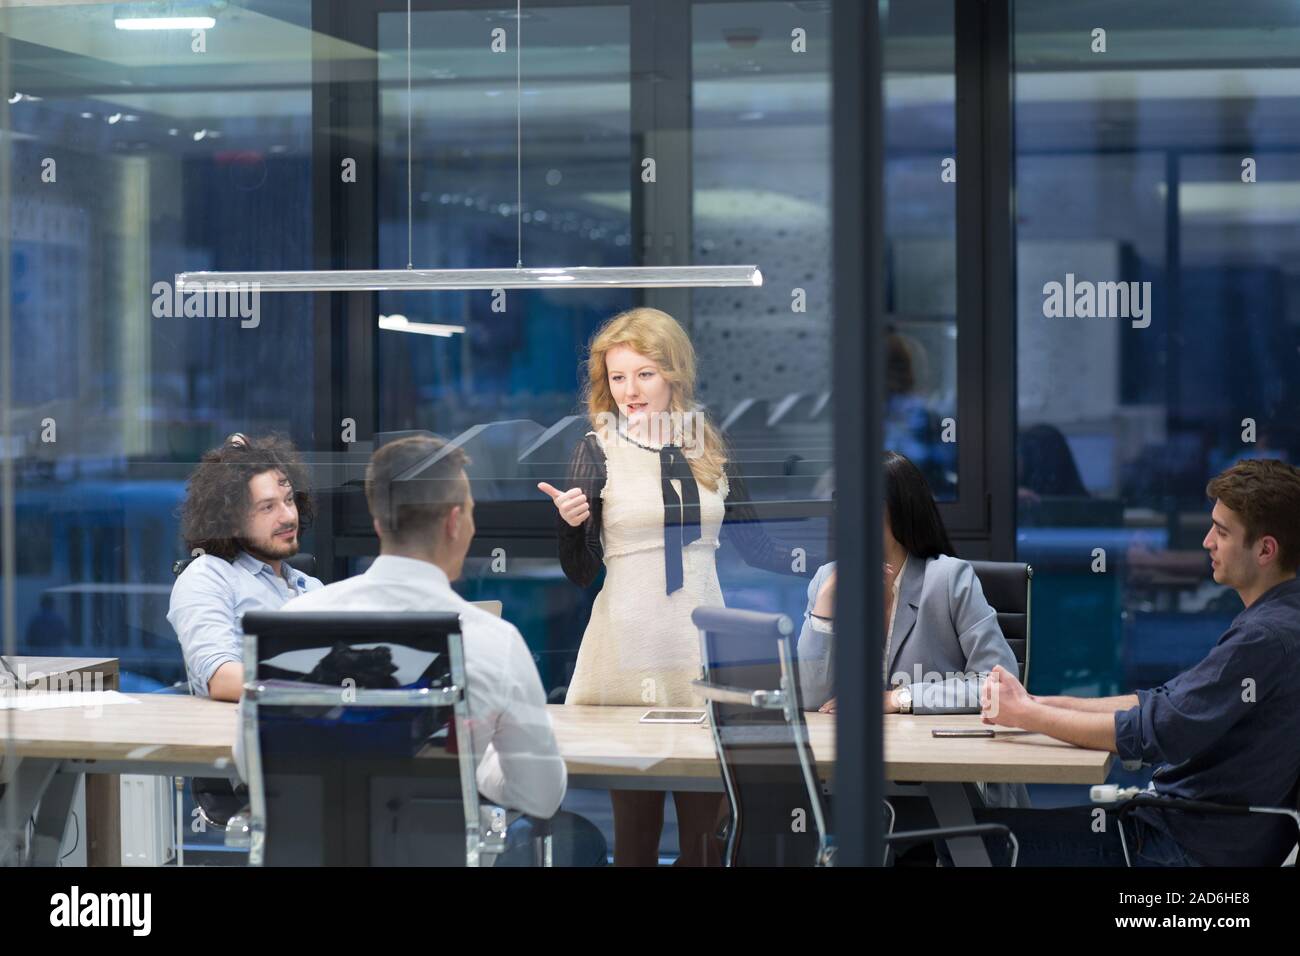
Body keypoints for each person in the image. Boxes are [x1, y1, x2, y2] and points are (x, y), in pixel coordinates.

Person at [538, 307, 820, 866]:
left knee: (706, 844)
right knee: (636, 843)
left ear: (674, 374)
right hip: (628, 649)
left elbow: (756, 546)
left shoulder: (708, 444)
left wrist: (835, 562)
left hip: (699, 651)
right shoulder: (596, 448)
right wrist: (572, 528)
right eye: (617, 377)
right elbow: (579, 573)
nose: (629, 391)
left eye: (644, 373)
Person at [281, 434, 605, 865]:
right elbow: (541, 796)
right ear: (455, 522)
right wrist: (474, 757)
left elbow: (249, 762)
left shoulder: (294, 620)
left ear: (378, 523)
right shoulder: (492, 641)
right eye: (471, 512)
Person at [977, 459, 1300, 866]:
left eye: (1221, 532)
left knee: (973, 841)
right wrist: (1038, 705)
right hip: (1189, 832)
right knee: (972, 832)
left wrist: (1026, 715)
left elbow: (1155, 731)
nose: (1207, 542)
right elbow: (1161, 703)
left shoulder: (1264, 637)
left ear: (1265, 549)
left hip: (1176, 846)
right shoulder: (1279, 620)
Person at [799, 451, 1019, 719]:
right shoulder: (826, 580)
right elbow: (810, 698)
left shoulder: (949, 579)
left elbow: (997, 685)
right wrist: (825, 603)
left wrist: (900, 697)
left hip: (930, 749)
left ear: (898, 508)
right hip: (856, 752)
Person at [168, 433, 323, 700]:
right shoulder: (208, 576)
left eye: (288, 500)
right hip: (241, 735)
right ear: (232, 522)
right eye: (267, 507)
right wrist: (322, 683)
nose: (288, 516)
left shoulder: (311, 587)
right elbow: (222, 678)